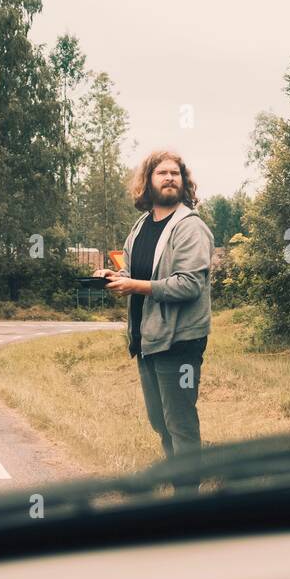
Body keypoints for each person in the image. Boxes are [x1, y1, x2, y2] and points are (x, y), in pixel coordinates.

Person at [94, 151, 214, 489]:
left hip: (180, 342)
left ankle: (187, 498)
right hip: (147, 340)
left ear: (184, 181)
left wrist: (134, 285)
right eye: (162, 172)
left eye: (175, 173)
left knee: (180, 423)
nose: (170, 178)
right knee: (159, 421)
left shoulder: (190, 226)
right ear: (148, 181)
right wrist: (116, 276)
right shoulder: (141, 227)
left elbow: (189, 285)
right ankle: (179, 481)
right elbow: (137, 273)